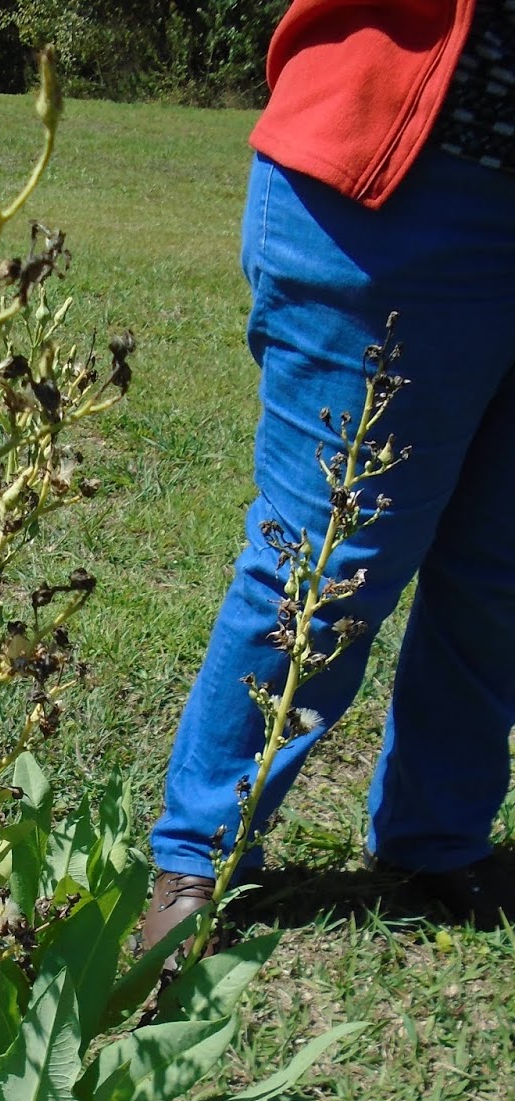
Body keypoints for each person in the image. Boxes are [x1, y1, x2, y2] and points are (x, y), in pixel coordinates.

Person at [144, 0, 515, 953]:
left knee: (499, 570)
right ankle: (203, 855)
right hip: (401, 193)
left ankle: (438, 841)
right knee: (326, 559)